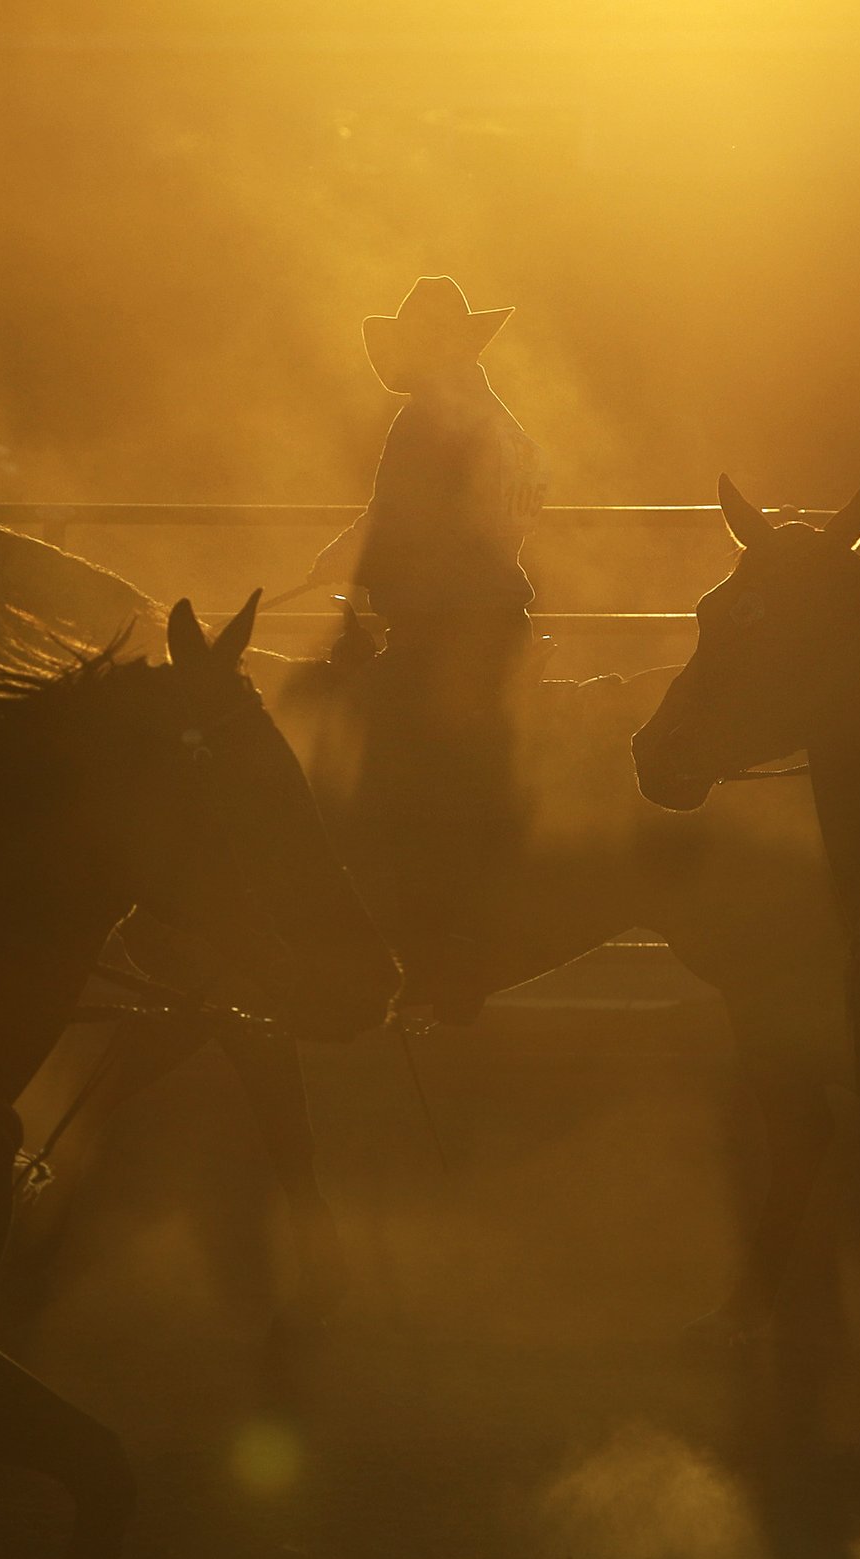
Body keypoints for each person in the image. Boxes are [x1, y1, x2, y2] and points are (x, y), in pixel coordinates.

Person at [293, 276, 546, 1021]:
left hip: (446, 629)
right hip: (487, 619)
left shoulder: (428, 421)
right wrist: (345, 553)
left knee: (375, 759)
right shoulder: (490, 417)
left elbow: (405, 519)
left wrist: (356, 575)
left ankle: (411, 941)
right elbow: (416, 513)